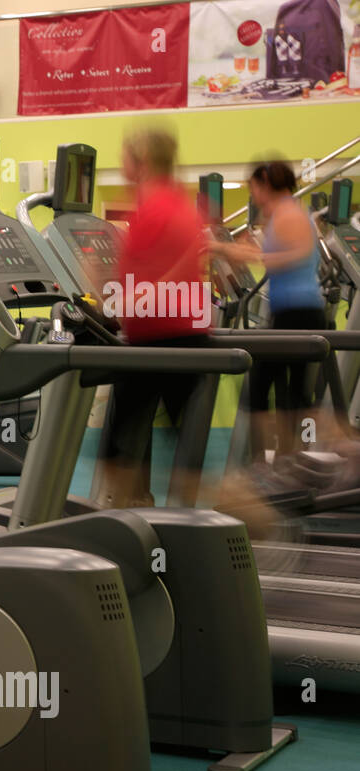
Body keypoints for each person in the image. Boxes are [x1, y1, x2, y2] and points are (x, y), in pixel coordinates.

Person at [96, 126, 211, 507]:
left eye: (124, 155)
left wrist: (94, 283)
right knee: (179, 459)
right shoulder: (177, 201)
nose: (121, 163)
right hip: (181, 337)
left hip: (159, 342)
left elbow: (129, 291)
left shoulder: (153, 208)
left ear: (139, 160)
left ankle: (130, 516)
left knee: (116, 452)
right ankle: (143, 513)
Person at [209, 161, 328, 461]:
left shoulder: (289, 215)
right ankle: (290, 458)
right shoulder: (287, 214)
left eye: (253, 188)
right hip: (293, 311)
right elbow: (275, 256)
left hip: (296, 313)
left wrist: (231, 250)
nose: (253, 195)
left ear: (265, 184)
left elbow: (282, 259)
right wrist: (239, 251)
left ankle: (276, 460)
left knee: (265, 389)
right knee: (287, 391)